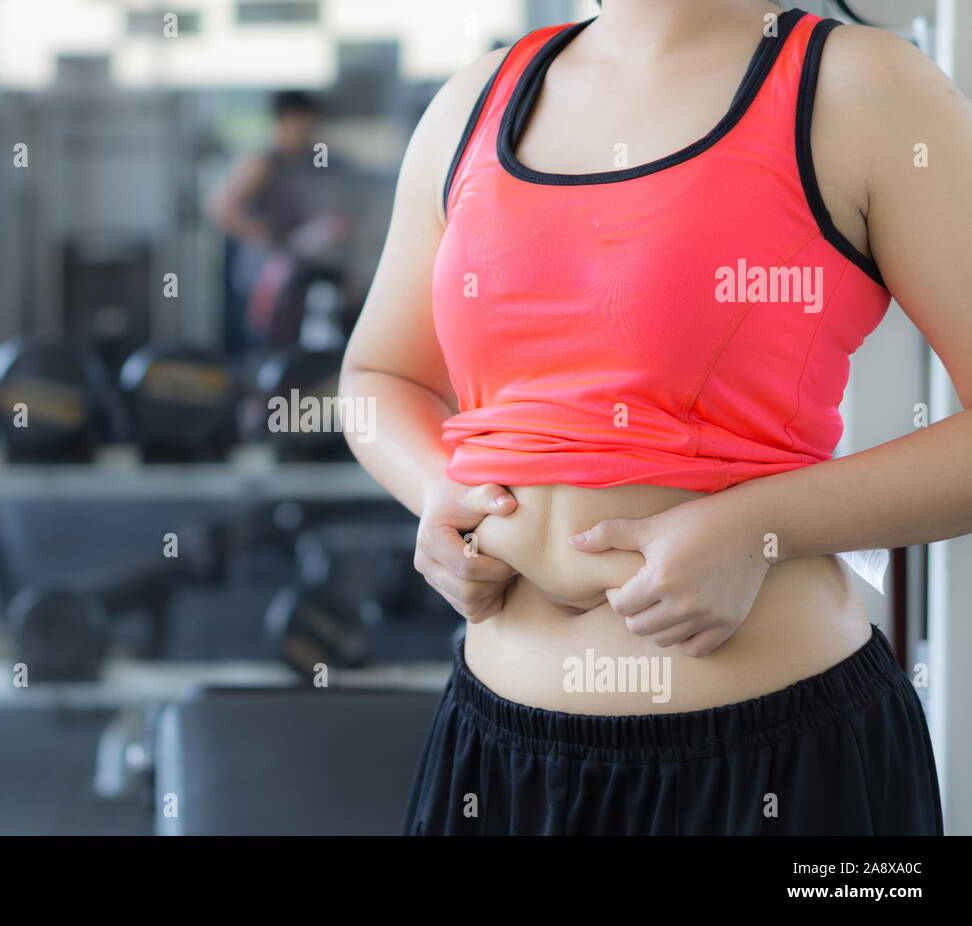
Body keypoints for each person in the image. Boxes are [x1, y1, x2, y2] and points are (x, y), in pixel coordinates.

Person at [340, 0, 967, 835]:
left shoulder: (864, 86)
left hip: (775, 766)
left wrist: (759, 528)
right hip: (494, 762)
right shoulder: (473, 100)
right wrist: (435, 493)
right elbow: (378, 376)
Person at [206, 90, 352, 354]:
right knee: (267, 349)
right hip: (265, 278)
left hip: (298, 276)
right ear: (284, 121)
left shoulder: (308, 163)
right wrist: (275, 238)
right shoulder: (262, 162)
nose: (309, 131)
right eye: (303, 123)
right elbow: (220, 209)